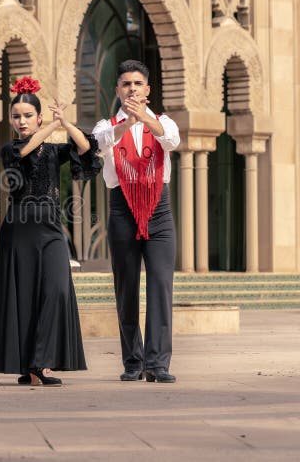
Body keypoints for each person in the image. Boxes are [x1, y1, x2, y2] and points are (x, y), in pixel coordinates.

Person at [0, 76, 100, 386]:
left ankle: (41, 360)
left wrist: (65, 122)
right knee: (24, 296)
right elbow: (24, 152)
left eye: (27, 116)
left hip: (50, 230)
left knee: (57, 290)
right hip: (18, 230)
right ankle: (34, 367)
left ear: (37, 116)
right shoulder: (9, 149)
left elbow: (86, 148)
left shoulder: (52, 151)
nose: (21, 122)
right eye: (16, 116)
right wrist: (50, 127)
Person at [92, 60, 181, 383]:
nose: (131, 88)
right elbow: (100, 145)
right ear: (117, 90)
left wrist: (144, 119)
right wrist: (127, 123)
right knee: (126, 288)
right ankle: (133, 361)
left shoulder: (163, 122)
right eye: (126, 84)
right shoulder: (106, 125)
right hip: (122, 212)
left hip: (159, 212)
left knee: (160, 286)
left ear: (147, 90)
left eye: (137, 83)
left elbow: (172, 141)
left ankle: (157, 363)